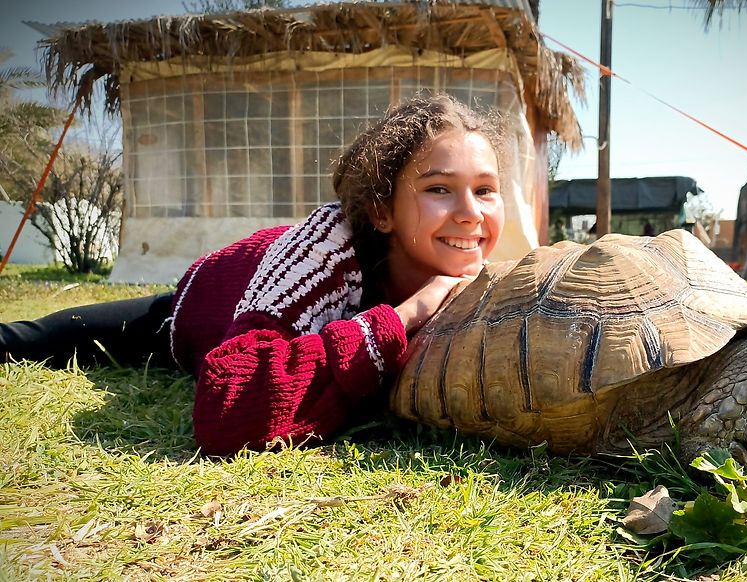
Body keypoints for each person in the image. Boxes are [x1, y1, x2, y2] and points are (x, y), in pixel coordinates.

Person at [0, 94, 507, 456]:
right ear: (381, 211)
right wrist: (407, 313)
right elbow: (228, 404)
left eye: (485, 190)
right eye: (439, 188)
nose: (470, 213)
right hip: (194, 309)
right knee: (37, 338)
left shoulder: (479, 278)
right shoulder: (329, 251)